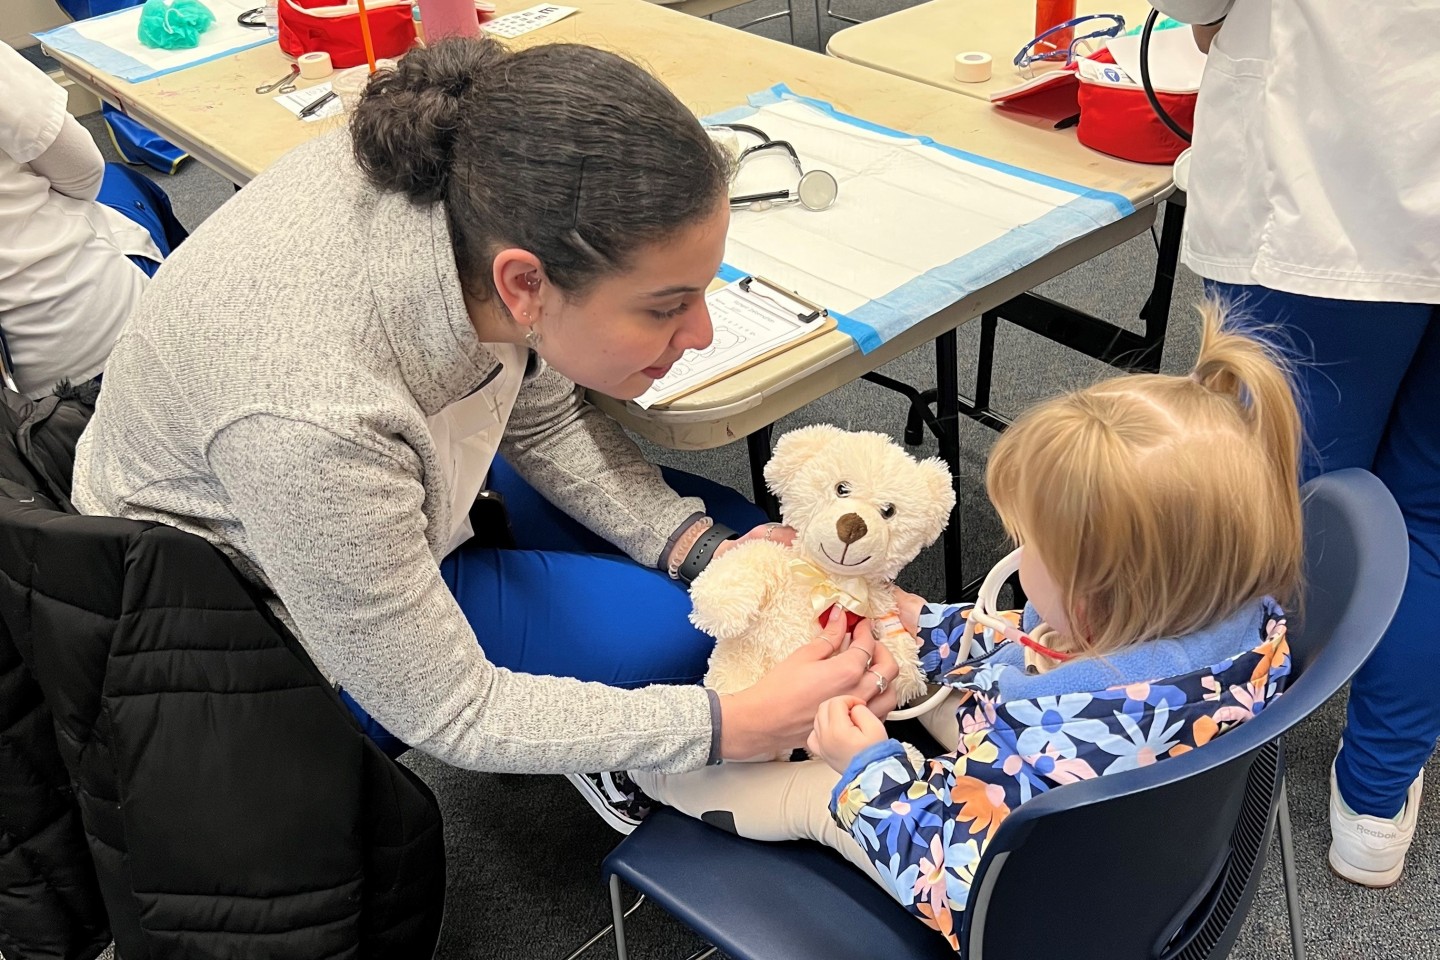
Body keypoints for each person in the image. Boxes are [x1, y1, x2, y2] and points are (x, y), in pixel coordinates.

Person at [72, 38, 899, 792]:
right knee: (684, 642)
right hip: (249, 608)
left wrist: (690, 545)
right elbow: (446, 709)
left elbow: (531, 408)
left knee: (731, 542)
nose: (701, 333)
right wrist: (727, 727)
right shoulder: (312, 414)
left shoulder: (477, 191)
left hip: (391, 469)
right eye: (665, 307)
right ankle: (619, 767)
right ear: (524, 284)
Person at [625, 307, 1300, 951]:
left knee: (819, 796)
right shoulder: (1236, 623)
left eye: (1028, 544)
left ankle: (647, 774)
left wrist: (868, 770)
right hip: (1137, 848)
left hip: (1005, 903)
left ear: (1092, 595)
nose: (1019, 553)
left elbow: (953, 881)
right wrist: (927, 624)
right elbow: (1037, 643)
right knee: (952, 689)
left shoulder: (1050, 732)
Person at [1152, 0, 1440, 887]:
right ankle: (1373, 812)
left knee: (1278, 508)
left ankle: (1202, 794)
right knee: (1429, 511)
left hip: (1326, 179)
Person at [0, 41, 183, 399]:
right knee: (123, 182)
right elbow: (83, 174)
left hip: (15, 400)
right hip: (79, 347)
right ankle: (190, 322)